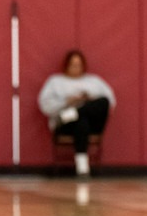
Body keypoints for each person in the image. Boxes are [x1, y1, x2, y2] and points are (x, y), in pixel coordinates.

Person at [38, 49, 116, 177]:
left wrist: (89, 101)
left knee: (102, 102)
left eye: (79, 65)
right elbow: (45, 105)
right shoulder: (55, 82)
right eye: (73, 65)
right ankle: (82, 166)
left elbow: (110, 103)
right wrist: (66, 101)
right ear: (66, 65)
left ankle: (73, 113)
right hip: (66, 125)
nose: (76, 68)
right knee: (81, 122)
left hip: (92, 123)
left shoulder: (94, 82)